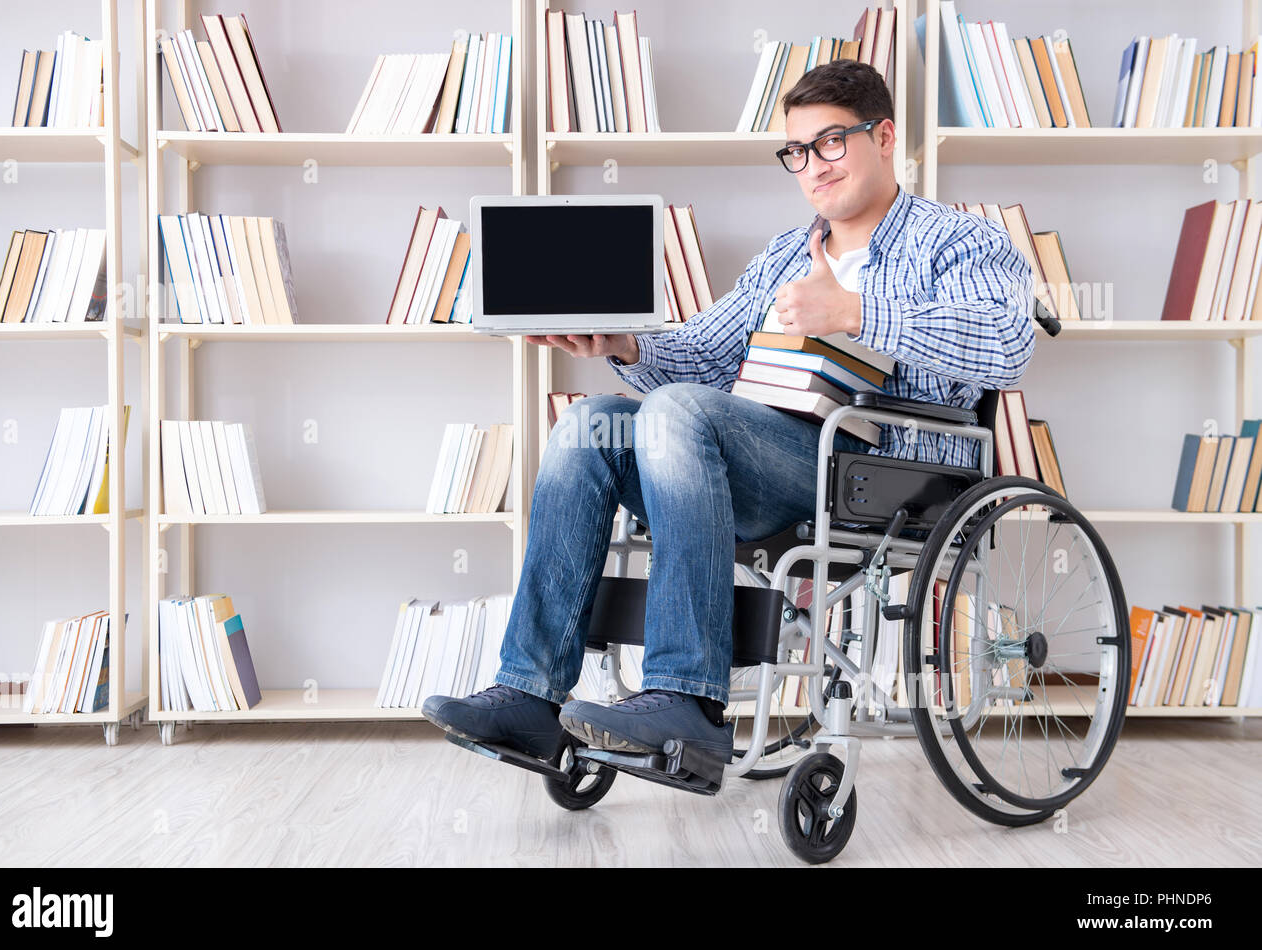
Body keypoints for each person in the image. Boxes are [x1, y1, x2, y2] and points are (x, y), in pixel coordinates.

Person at [422, 59, 1035, 765]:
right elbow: (704, 354)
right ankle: (529, 696)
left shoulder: (959, 241)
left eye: (832, 142)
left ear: (886, 136)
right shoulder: (783, 255)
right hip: (761, 454)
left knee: (680, 413)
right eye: (798, 151)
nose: (813, 166)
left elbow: (1008, 343)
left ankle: (686, 697)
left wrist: (858, 311)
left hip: (884, 471)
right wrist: (622, 342)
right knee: (588, 424)